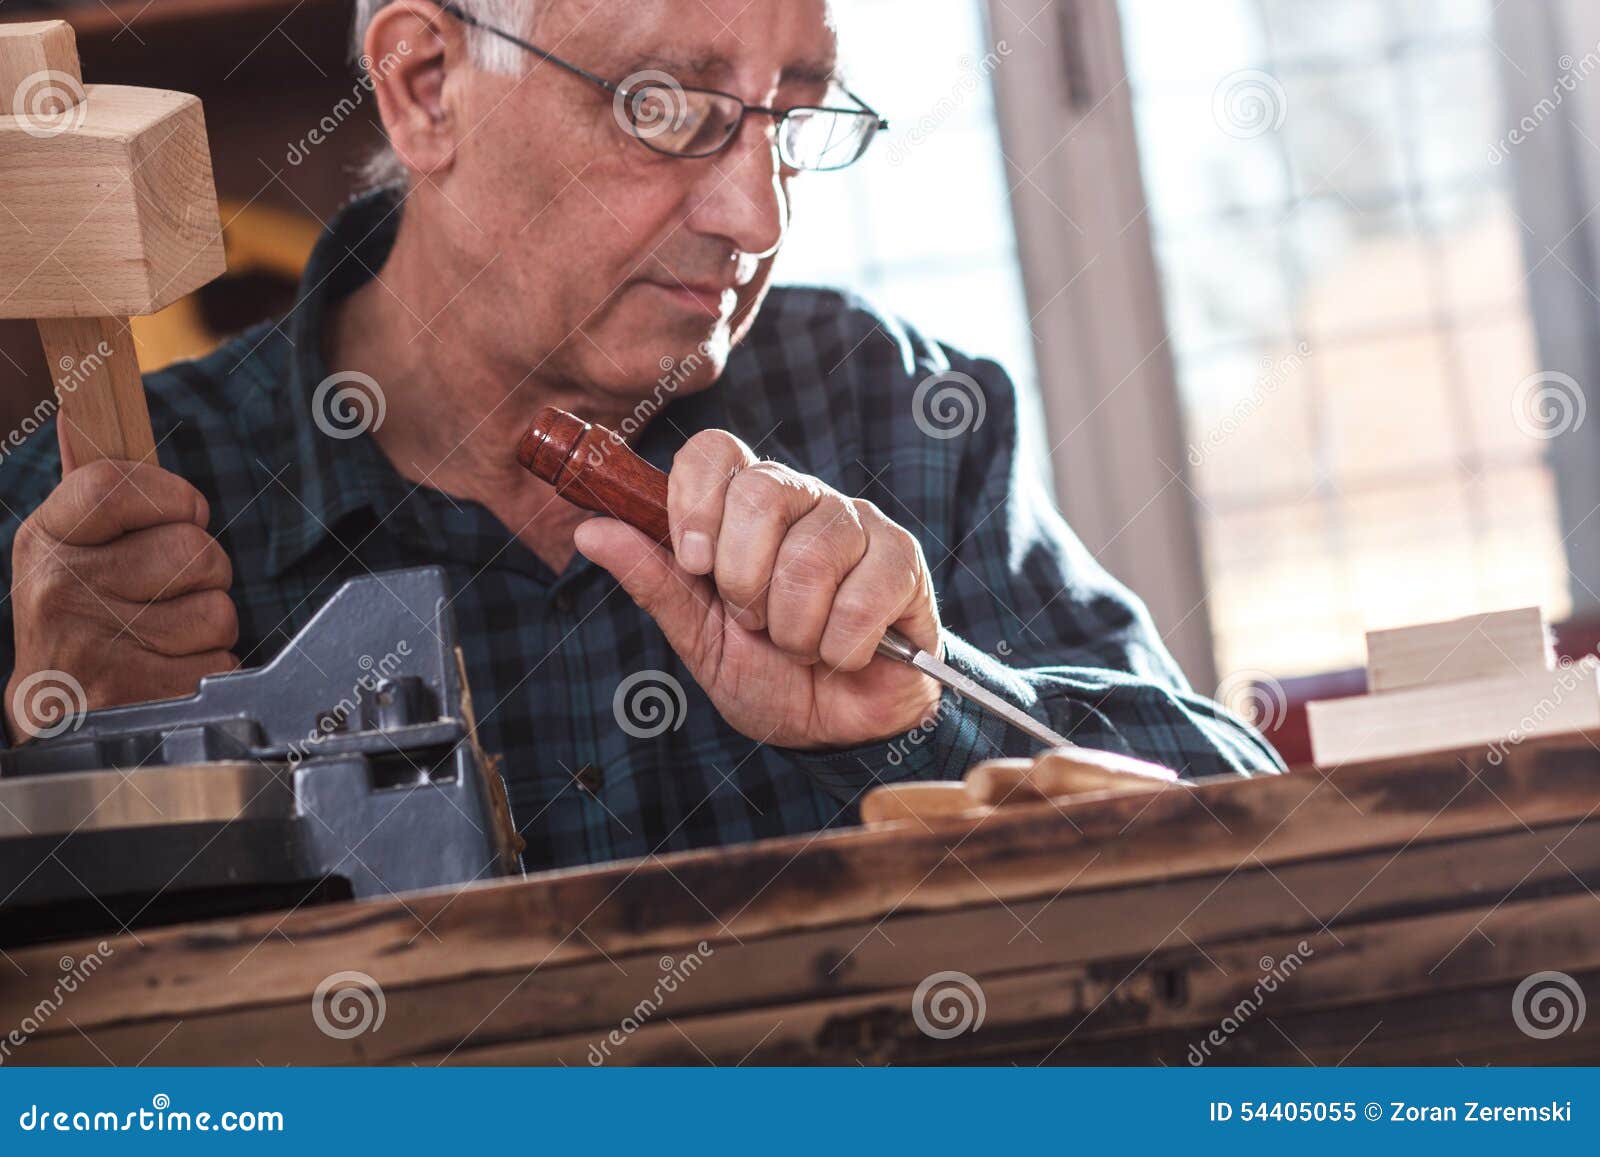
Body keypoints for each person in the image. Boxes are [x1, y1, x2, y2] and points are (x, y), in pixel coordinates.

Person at [0, 0, 1282, 871]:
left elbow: (1245, 830)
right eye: (665, 108)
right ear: (423, 86)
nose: (755, 215)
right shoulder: (110, 513)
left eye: (791, 110)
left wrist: (919, 719)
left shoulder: (899, 410)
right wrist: (71, 786)